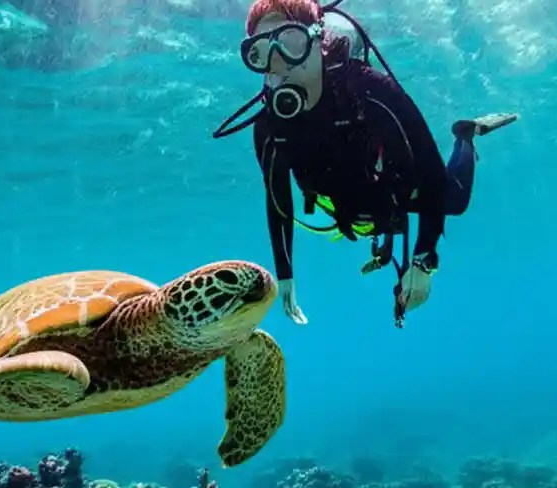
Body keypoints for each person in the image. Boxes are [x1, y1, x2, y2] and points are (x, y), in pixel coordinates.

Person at [211, 0, 518, 327]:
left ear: (317, 40)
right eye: (261, 53)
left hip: (397, 187)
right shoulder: (269, 127)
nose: (279, 65)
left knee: (454, 201)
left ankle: (465, 136)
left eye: (291, 44)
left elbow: (431, 178)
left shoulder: (373, 92)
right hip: (345, 203)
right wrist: (285, 277)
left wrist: (424, 260)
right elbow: (278, 202)